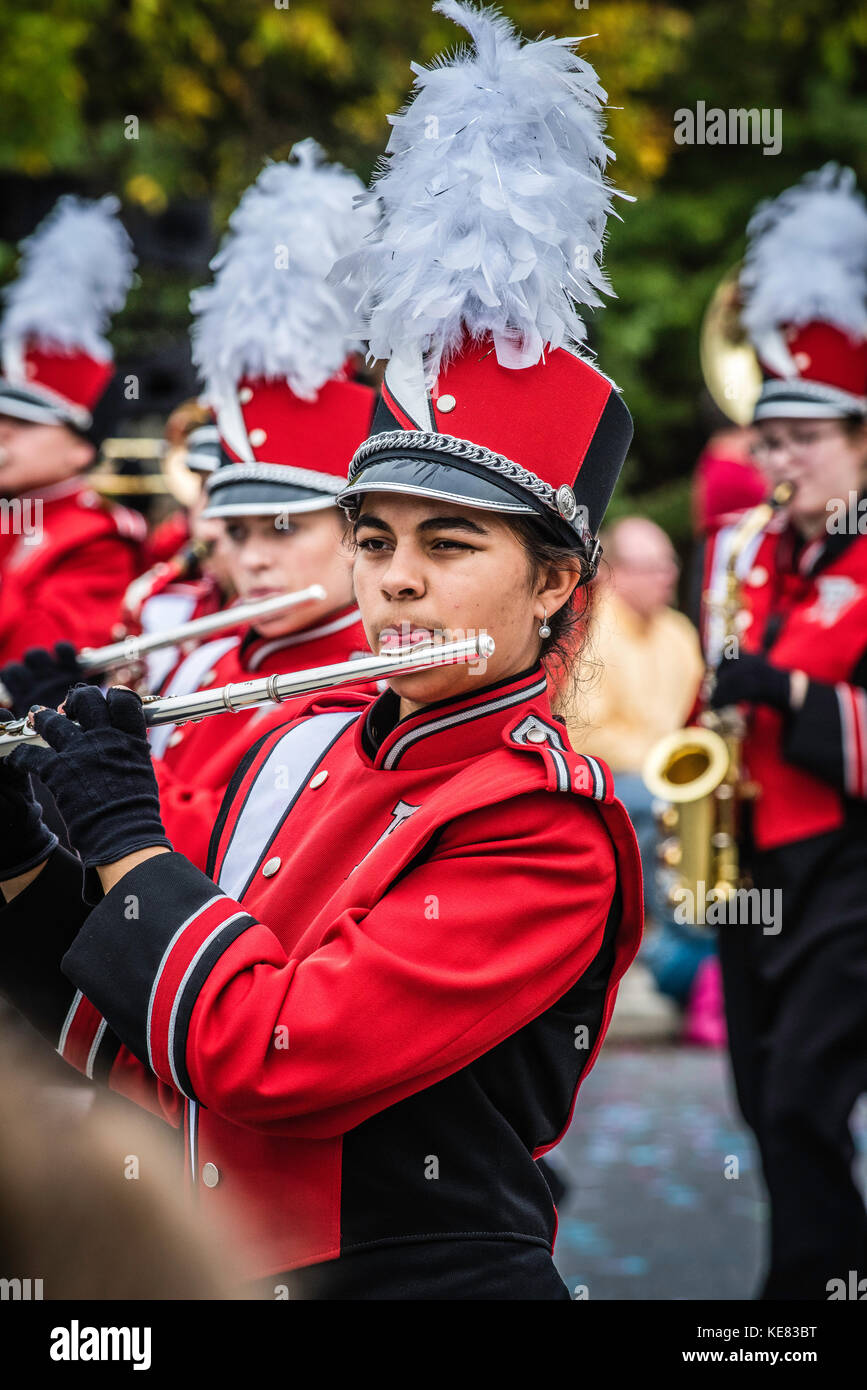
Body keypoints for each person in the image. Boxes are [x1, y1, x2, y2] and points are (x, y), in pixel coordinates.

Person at [0, 1, 642, 1300]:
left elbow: (273, 1050)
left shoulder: (542, 825)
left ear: (554, 580)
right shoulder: (304, 747)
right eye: (373, 533)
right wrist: (25, 863)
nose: (395, 574)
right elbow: (130, 1035)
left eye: (448, 542)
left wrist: (126, 840)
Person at [1, 144, 378, 869]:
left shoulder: (364, 682)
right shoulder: (223, 650)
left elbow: (220, 850)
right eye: (231, 531)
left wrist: (98, 773)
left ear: (359, 533)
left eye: (280, 526)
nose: (250, 555)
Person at [702, 164, 867, 1299]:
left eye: (807, 437)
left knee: (807, 1092)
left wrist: (784, 694)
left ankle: (810, 1296)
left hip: (851, 865)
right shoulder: (745, 552)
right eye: (770, 441)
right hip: (750, 855)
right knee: (763, 1098)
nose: (781, 461)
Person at [566, 517, 706, 1025]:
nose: (667, 576)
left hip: (656, 773)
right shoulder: (589, 631)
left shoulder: (678, 632)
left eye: (669, 564)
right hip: (605, 776)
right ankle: (672, 950)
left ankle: (697, 950)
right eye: (651, 567)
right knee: (660, 803)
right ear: (615, 573)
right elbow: (585, 733)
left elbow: (693, 719)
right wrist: (666, 765)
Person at [0, 196, 146, 664]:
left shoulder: (96, 539)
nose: (2, 432)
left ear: (82, 450)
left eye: (24, 423)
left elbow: (29, 668)